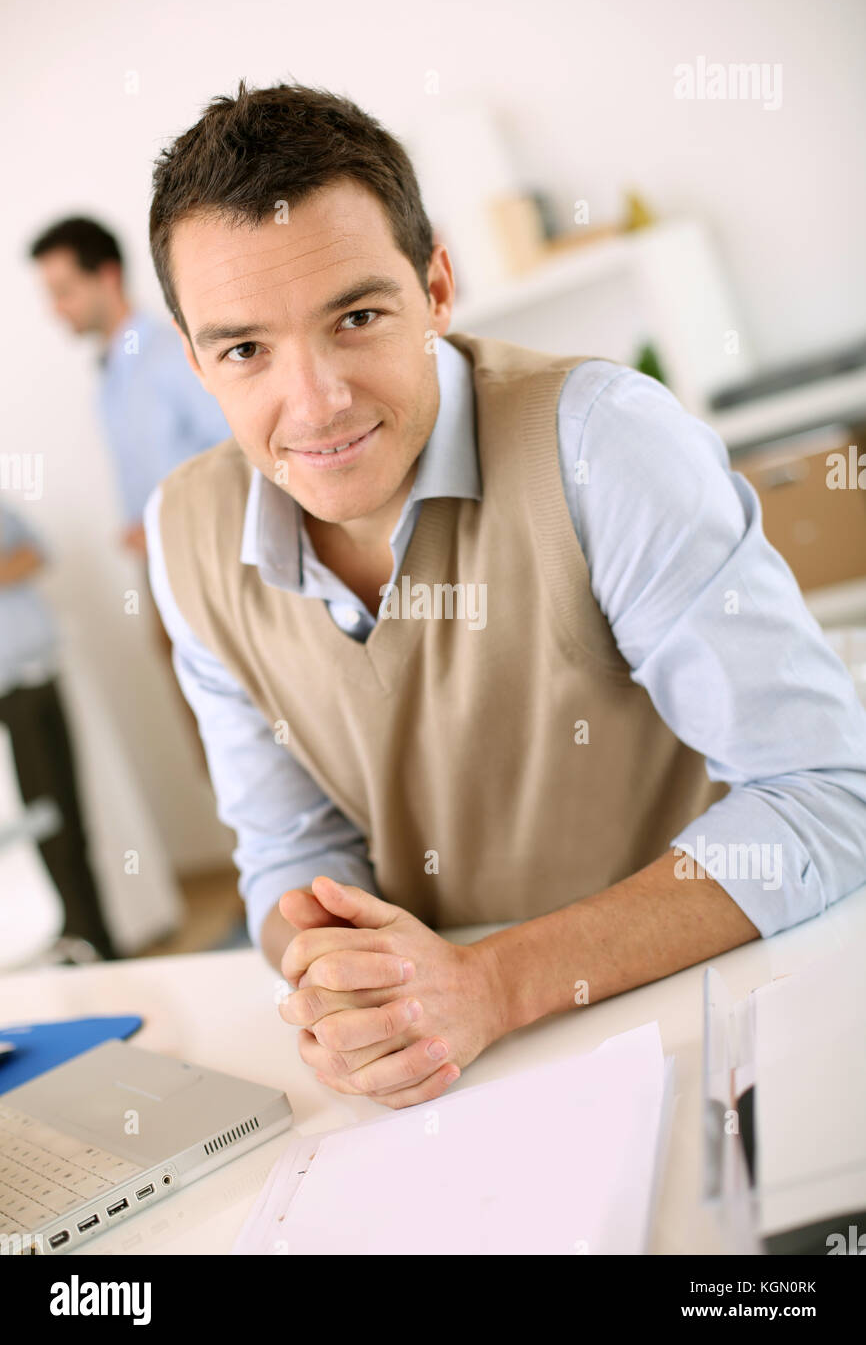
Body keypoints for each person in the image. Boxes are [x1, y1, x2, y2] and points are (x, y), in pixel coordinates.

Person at [143, 79, 866, 1110]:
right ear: (196, 363)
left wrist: (490, 983)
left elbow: (825, 795)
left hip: (715, 1003)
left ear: (436, 287)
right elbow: (291, 852)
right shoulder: (185, 538)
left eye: (355, 316)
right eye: (246, 349)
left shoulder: (601, 443)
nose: (313, 402)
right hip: (457, 1072)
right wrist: (358, 989)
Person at [29, 216, 230, 757]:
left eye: (63, 291)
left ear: (108, 276)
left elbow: (239, 450)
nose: (55, 308)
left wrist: (169, 521)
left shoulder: (168, 357)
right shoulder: (110, 376)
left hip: (209, 562)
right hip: (162, 570)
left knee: (237, 716)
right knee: (202, 722)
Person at [0, 501, 117, 959]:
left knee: (65, 817)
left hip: (37, 676)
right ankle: (71, 939)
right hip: (8, 691)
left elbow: (34, 554)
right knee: (36, 831)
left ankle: (96, 941)